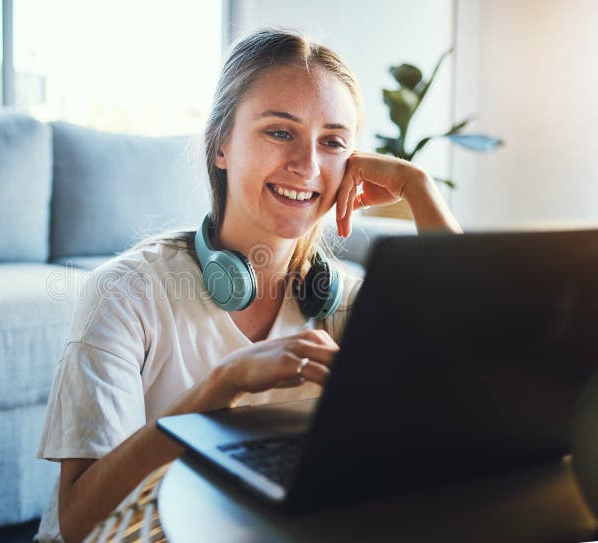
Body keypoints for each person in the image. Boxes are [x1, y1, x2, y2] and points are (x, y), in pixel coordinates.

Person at [35, 28, 462, 543]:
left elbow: (474, 372)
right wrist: (223, 384)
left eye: (332, 142)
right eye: (280, 132)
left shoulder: (348, 300)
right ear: (220, 145)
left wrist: (419, 189)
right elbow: (80, 520)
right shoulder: (125, 292)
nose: (307, 165)